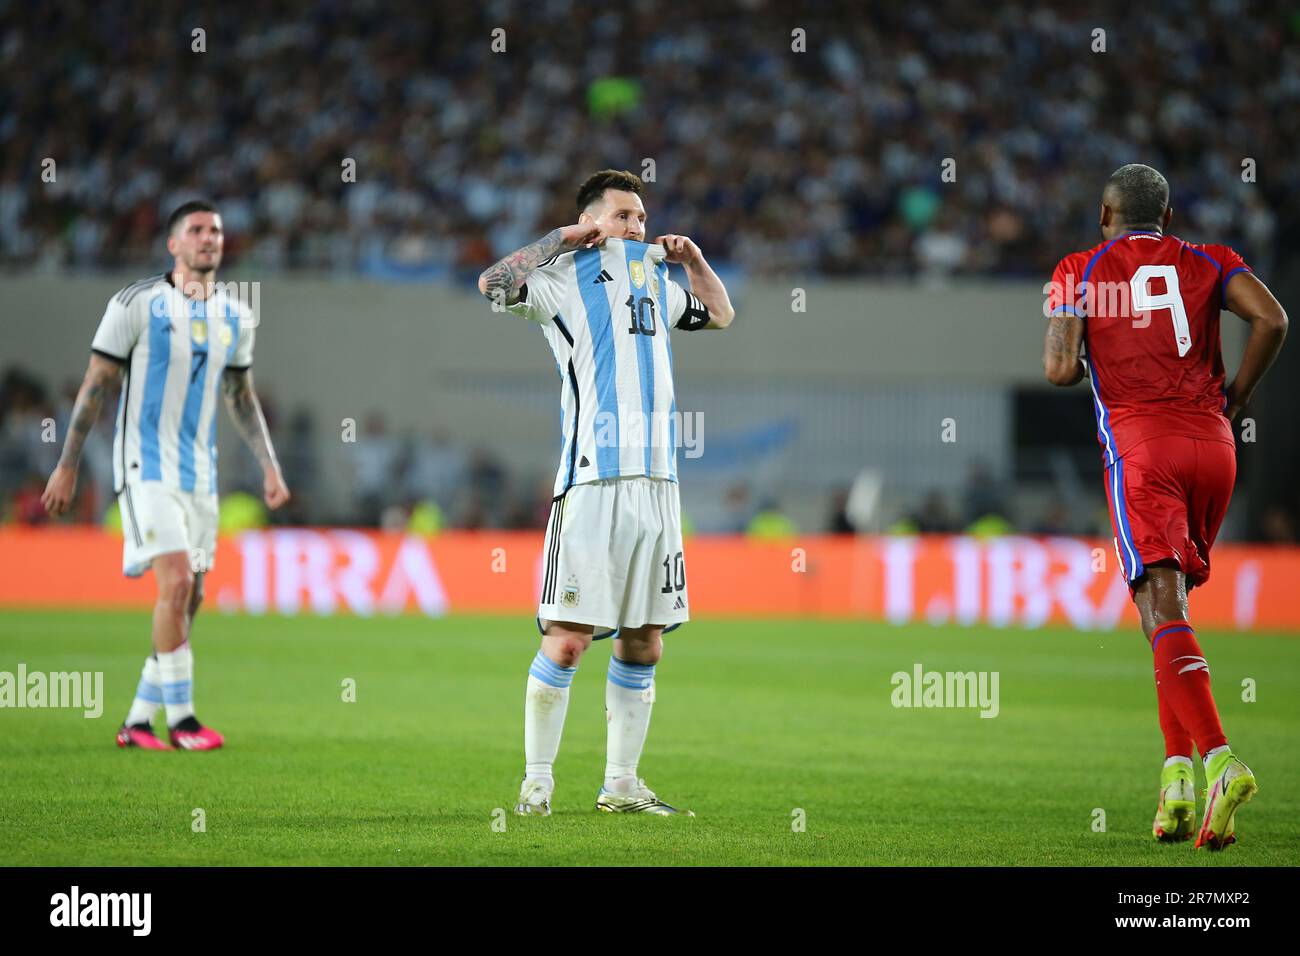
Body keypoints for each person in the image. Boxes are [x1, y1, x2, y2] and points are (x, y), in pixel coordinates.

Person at [1043, 164, 1287, 848]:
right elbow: (1272, 318)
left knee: (1159, 607)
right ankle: (1175, 777)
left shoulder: (1078, 269)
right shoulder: (1210, 258)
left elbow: (1059, 370)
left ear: (1104, 214)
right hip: (1214, 446)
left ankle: (1218, 759)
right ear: (1169, 218)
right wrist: (1235, 396)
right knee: (1172, 610)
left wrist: (1077, 329)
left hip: (1142, 446)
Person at [477, 169, 735, 815]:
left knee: (645, 640)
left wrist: (697, 261)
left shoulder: (658, 279)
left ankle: (621, 783)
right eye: (623, 216)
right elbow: (491, 283)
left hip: (658, 487)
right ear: (593, 220)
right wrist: (561, 238)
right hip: (591, 482)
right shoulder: (561, 280)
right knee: (567, 640)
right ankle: (537, 781)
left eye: (641, 216)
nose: (637, 227)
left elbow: (723, 315)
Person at [42, 200, 290, 751]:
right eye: (196, 230)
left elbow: (240, 396)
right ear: (173, 244)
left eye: (216, 231)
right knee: (175, 582)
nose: (208, 239)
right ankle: (183, 723)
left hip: (199, 475)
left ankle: (136, 720)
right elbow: (96, 384)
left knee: (190, 597)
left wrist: (268, 464)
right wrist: (67, 463)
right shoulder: (137, 303)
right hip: (144, 466)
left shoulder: (235, 315)